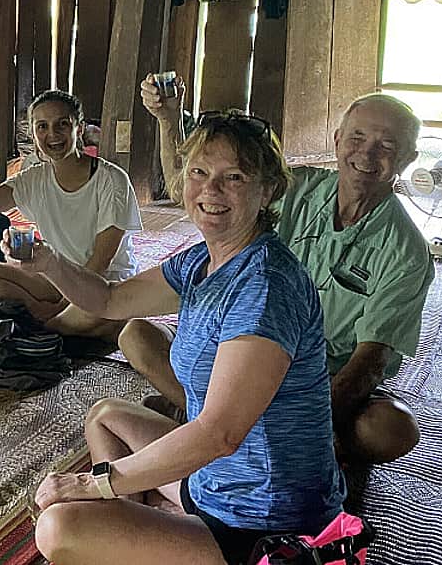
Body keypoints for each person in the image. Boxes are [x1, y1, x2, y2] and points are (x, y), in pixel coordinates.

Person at [21, 110, 344, 565]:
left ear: (266, 190)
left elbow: (219, 434)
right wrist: (50, 264)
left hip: (263, 518)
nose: (210, 190)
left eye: (233, 177)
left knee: (58, 528)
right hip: (214, 480)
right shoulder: (201, 261)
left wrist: (92, 483)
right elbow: (111, 300)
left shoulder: (265, 285)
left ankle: (150, 531)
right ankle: (145, 531)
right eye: (199, 172)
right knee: (106, 416)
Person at [127, 78, 431, 466]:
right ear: (337, 140)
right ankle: (216, 428)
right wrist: (169, 119)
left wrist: (309, 420)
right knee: (138, 336)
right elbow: (199, 186)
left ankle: (216, 427)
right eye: (357, 137)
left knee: (390, 429)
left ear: (408, 158)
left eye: (386, 145)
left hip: (320, 381)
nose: (367, 153)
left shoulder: (406, 251)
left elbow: (368, 363)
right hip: (242, 356)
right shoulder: (297, 188)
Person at [0, 90, 142, 344]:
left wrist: (61, 305)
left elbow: (101, 260)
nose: (53, 134)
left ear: (79, 129)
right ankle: (50, 324)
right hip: (56, 277)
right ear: (34, 134)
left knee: (96, 312)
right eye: (43, 126)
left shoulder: (112, 180)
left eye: (62, 124)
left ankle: (43, 326)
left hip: (104, 285)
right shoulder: (35, 178)